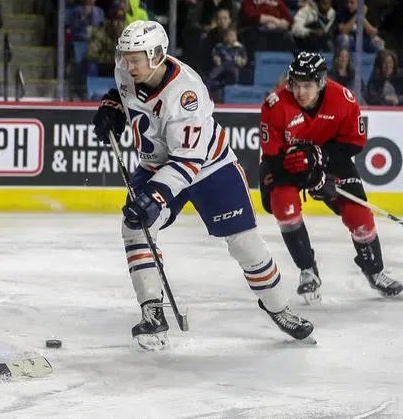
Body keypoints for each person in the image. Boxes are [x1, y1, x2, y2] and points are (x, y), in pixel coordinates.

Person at [91, 20, 313, 350]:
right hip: (157, 164)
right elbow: (129, 97)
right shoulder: (126, 71)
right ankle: (152, 310)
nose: (127, 64)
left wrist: (155, 194)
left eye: (135, 57)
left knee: (244, 243)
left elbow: (187, 162)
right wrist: (113, 105)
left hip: (209, 167)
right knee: (135, 226)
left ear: (156, 55)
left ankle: (279, 307)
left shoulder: (186, 94)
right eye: (124, 56)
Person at [259, 52, 403, 304]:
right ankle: (307, 270)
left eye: (308, 85)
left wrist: (320, 158)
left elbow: (354, 144)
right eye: (296, 84)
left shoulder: (343, 100)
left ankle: (375, 271)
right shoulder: (275, 104)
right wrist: (304, 170)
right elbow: (272, 155)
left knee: (358, 215)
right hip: (289, 165)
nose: (300, 92)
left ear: (321, 82)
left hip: (331, 162)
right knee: (284, 205)